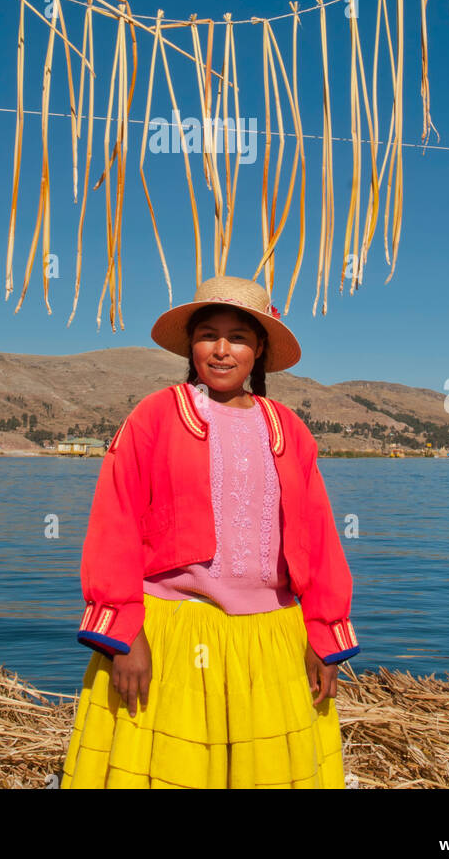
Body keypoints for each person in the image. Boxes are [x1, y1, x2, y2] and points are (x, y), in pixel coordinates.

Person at [61, 275, 360, 789]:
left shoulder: (287, 428)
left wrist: (323, 633)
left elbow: (319, 536)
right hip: (173, 632)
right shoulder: (155, 417)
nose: (222, 351)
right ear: (192, 345)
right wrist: (124, 637)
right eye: (208, 335)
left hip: (272, 637)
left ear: (259, 349)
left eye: (239, 337)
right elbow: (114, 522)